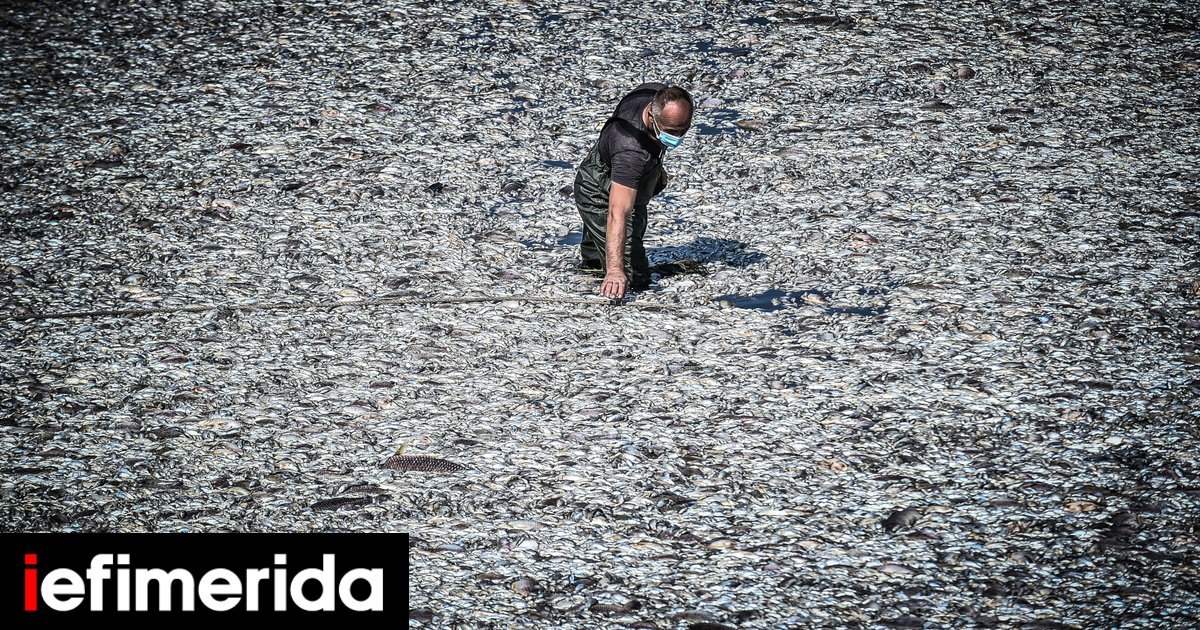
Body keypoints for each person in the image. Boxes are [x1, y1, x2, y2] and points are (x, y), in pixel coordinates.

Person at [573, 83, 694, 299]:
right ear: (651, 114)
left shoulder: (653, 93)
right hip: (597, 186)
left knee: (599, 255)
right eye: (671, 131)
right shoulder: (631, 152)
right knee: (635, 277)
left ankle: (594, 257)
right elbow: (618, 212)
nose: (677, 136)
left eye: (683, 130)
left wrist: (656, 167)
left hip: (613, 159)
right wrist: (616, 271)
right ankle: (604, 265)